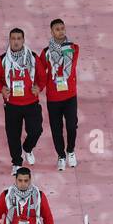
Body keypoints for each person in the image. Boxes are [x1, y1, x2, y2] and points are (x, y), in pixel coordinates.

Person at [0, 28, 44, 173]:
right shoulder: (3, 59)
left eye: (18, 38)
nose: (16, 41)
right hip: (12, 105)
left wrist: (38, 87)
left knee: (36, 130)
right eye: (13, 38)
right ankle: (16, 162)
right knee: (13, 135)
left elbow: (42, 77)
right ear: (9, 40)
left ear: (23, 40)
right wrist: (1, 89)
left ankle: (27, 148)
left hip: (31, 103)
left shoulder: (33, 57)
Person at [36, 19, 80, 171]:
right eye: (57, 29)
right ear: (51, 31)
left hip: (69, 95)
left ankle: (71, 151)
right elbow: (41, 74)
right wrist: (38, 87)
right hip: (54, 97)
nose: (60, 31)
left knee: (72, 125)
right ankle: (61, 155)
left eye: (62, 28)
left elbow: (70, 66)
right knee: (56, 128)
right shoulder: (46, 53)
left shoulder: (74, 48)